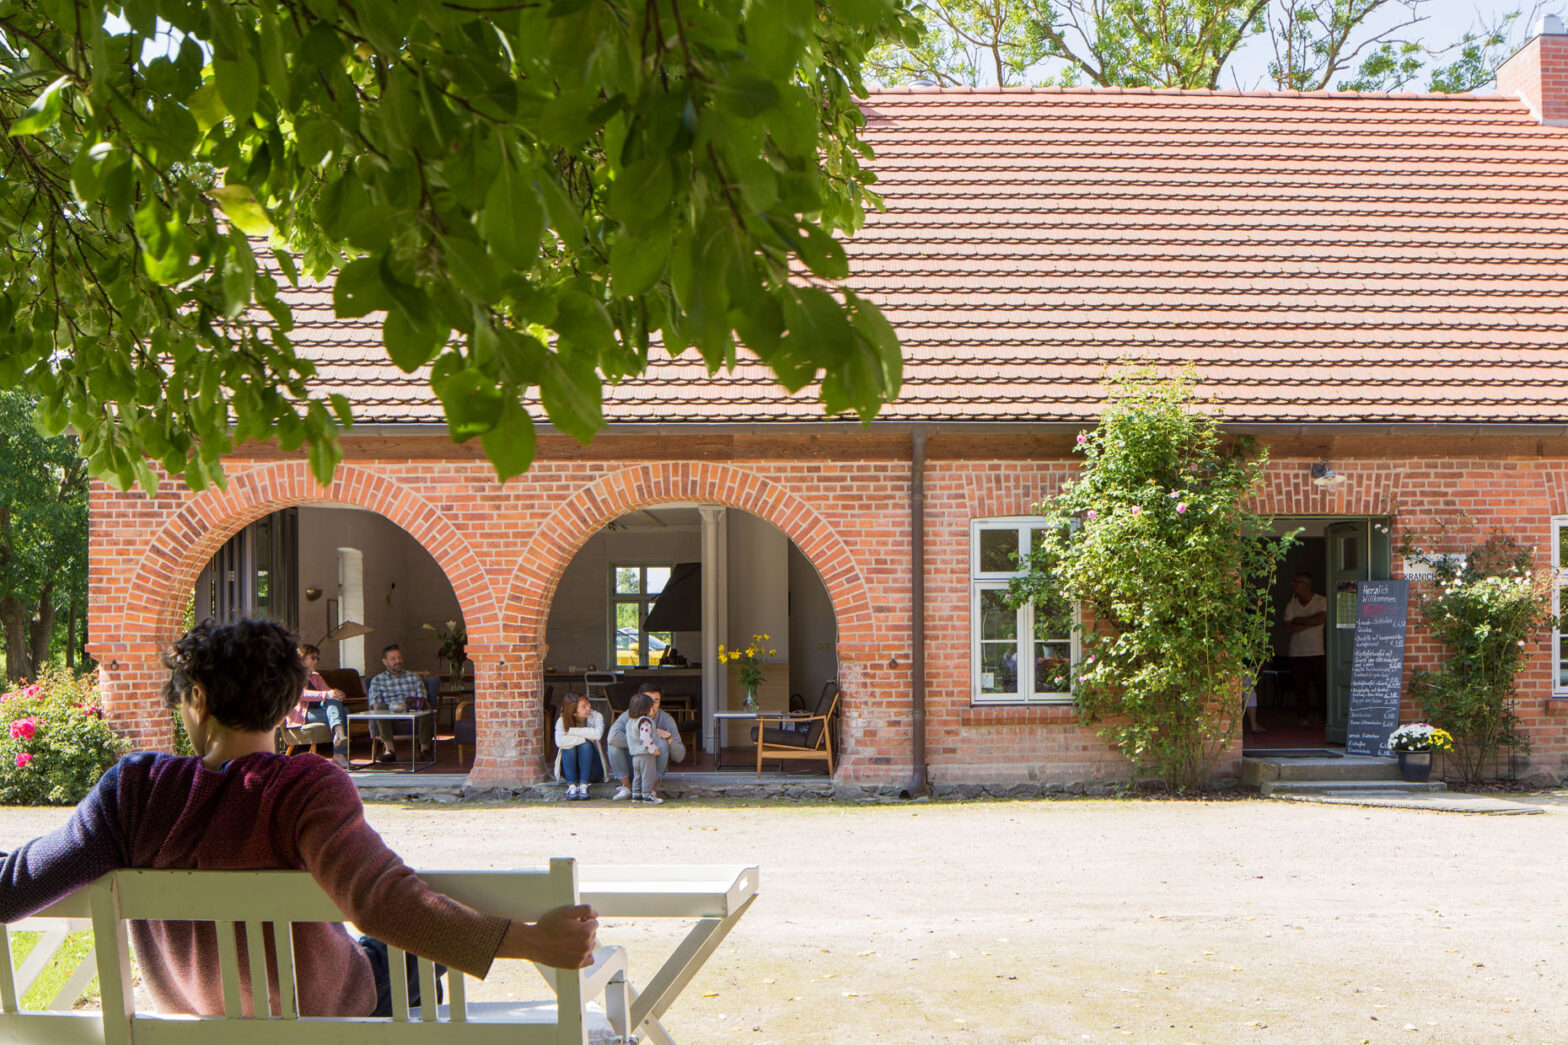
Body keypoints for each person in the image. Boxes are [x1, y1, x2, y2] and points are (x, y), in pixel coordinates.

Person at [0, 618, 597, 1018]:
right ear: (287, 705)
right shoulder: (305, 786)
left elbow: (19, 882)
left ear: (198, 699)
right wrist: (534, 941)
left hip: (186, 1012)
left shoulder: (132, 788)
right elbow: (385, 902)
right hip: (324, 1011)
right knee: (399, 961)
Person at [606, 684, 685, 801]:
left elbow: (679, 756)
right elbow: (612, 738)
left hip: (652, 764)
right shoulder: (628, 715)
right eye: (647, 701)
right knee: (613, 746)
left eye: (656, 701)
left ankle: (651, 789)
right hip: (632, 761)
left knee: (662, 743)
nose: (652, 705)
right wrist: (640, 741)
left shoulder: (666, 719)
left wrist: (668, 738)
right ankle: (627, 787)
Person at [285, 643, 351, 768]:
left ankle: (339, 736)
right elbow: (301, 694)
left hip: (318, 711)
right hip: (303, 715)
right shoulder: (293, 675)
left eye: (317, 658)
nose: (316, 661)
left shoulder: (316, 676)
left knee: (339, 705)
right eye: (313, 658)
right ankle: (339, 752)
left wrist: (336, 694)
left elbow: (326, 692)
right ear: (302, 658)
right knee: (344, 712)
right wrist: (327, 694)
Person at [366, 643, 435, 763]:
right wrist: (394, 707)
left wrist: (405, 706)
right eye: (393, 658)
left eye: (399, 657)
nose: (398, 661)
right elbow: (376, 704)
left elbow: (422, 699)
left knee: (427, 707)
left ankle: (425, 749)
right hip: (389, 713)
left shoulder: (413, 677)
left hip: (413, 710)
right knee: (380, 708)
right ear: (385, 661)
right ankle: (389, 750)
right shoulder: (377, 680)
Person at [1282, 572, 1328, 727]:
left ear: (1306, 584)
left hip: (1317, 652)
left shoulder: (1321, 601)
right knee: (1299, 687)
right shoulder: (1292, 605)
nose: (1293, 585)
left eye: (1296, 582)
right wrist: (1310, 622)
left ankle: (1326, 718)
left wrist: (1299, 621)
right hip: (1296, 653)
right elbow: (1287, 628)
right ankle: (1303, 717)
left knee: (1321, 686)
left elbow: (1321, 618)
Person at [553, 693, 607, 800]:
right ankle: (572, 786)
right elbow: (559, 741)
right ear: (574, 713)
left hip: (593, 770)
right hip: (568, 770)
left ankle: (584, 786)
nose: (589, 707)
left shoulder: (596, 716)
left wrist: (571, 731)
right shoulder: (562, 720)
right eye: (584, 706)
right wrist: (584, 738)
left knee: (586, 746)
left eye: (588, 703)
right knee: (570, 746)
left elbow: (597, 734)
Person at [624, 692, 661, 805]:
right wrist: (653, 748)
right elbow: (645, 736)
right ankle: (647, 794)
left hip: (635, 754)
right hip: (645, 754)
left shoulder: (630, 722)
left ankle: (636, 794)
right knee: (648, 775)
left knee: (637, 776)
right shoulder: (644, 721)